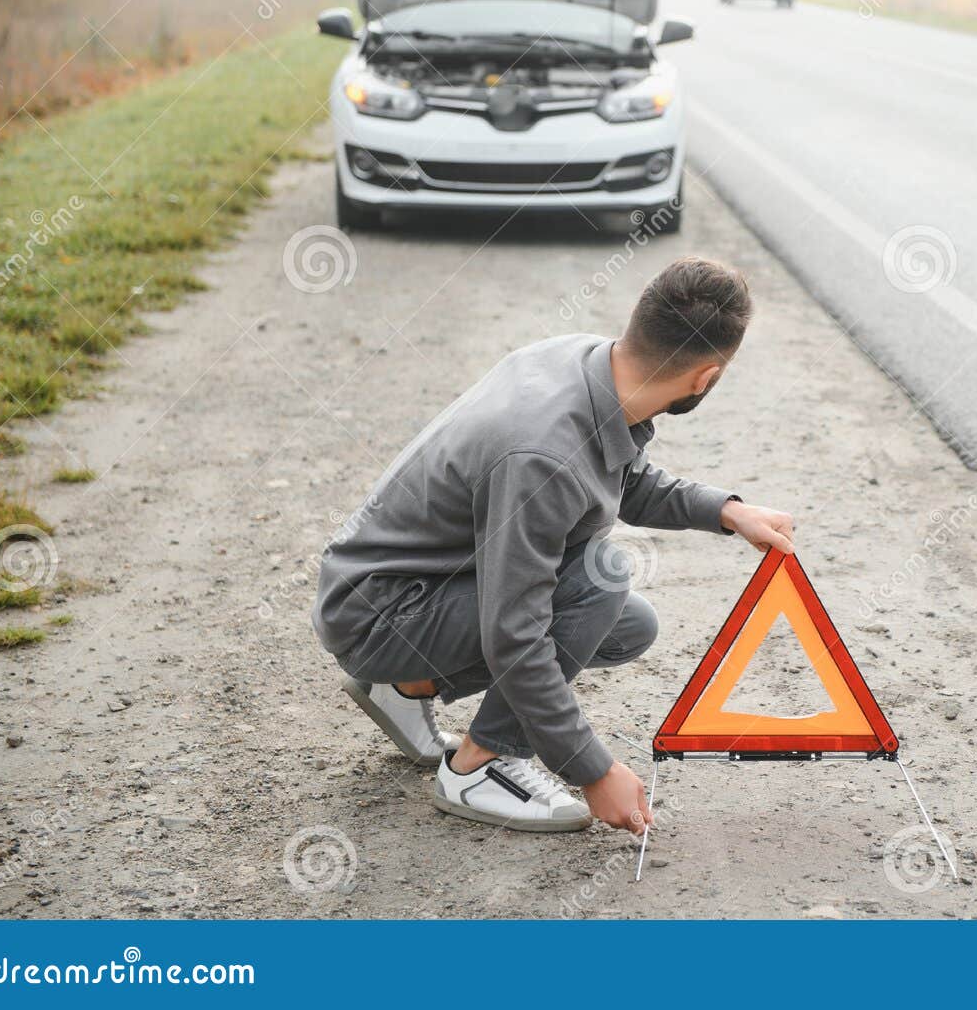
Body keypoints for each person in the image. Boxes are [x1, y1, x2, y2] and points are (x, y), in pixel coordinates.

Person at [311, 257, 794, 834]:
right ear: (705, 378)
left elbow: (624, 476)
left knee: (625, 624)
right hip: (379, 613)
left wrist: (725, 510)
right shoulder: (542, 453)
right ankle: (478, 766)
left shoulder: (584, 360)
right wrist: (592, 770)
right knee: (599, 577)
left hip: (408, 586)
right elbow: (514, 632)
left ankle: (410, 684)